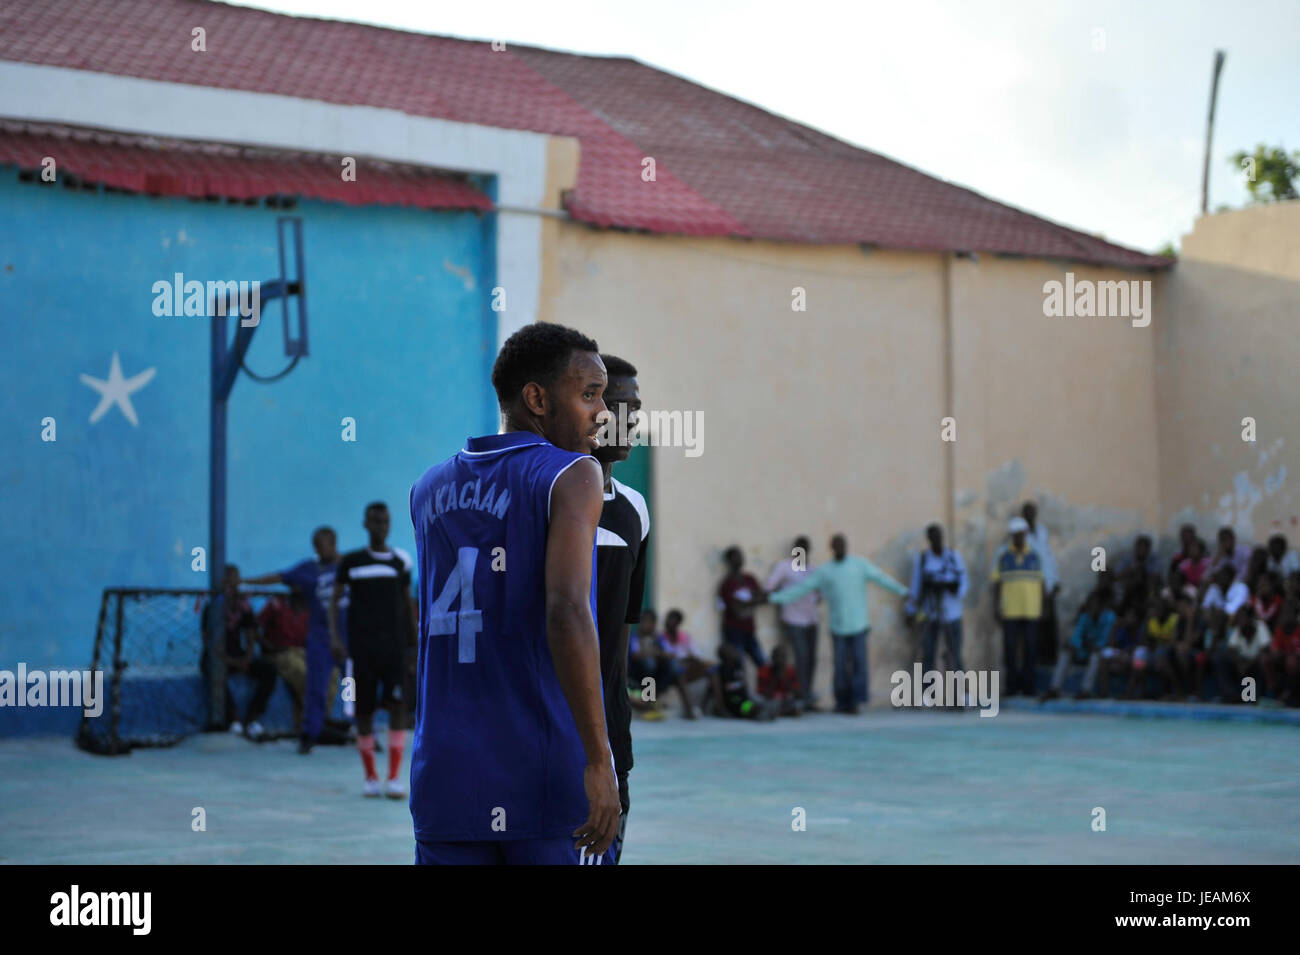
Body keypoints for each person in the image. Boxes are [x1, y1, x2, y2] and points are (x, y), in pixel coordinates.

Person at [408, 322, 619, 865]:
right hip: (540, 769)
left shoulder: (428, 486)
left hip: (444, 775)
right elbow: (568, 611)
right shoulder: (573, 473)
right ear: (537, 398)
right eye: (590, 394)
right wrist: (599, 758)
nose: (603, 412)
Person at [590, 353, 651, 862]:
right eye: (616, 406)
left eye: (636, 408)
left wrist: (615, 730)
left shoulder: (635, 509)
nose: (631, 420)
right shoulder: (541, 498)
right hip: (549, 730)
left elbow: (620, 637)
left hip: (611, 733)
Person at [330, 502, 418, 799]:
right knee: (363, 712)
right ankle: (370, 776)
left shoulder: (400, 562)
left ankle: (394, 778)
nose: (381, 526)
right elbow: (334, 601)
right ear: (365, 524)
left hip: (392, 649)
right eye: (375, 521)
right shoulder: (351, 562)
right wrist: (335, 638)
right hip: (361, 651)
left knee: (397, 708)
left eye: (385, 522)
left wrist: (415, 642)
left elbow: (407, 604)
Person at [767, 533, 909, 714]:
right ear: (832, 548)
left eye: (842, 545)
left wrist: (903, 592)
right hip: (837, 626)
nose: (839, 548)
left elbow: (881, 578)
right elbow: (800, 590)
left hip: (858, 624)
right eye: (836, 545)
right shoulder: (824, 571)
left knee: (859, 665)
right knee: (840, 666)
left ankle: (856, 701)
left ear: (846, 546)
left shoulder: (859, 565)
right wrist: (774, 598)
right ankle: (841, 702)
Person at [245, 526, 350, 753]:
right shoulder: (309, 569)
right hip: (321, 639)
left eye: (321, 545)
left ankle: (361, 730)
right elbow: (280, 576)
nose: (318, 550)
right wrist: (245, 581)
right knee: (316, 686)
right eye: (315, 546)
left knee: (353, 685)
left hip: (349, 637)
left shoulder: (349, 566)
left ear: (333, 543)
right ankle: (310, 734)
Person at [201, 564, 277, 740]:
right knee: (210, 667)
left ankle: (253, 718)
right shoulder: (212, 608)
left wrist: (247, 657)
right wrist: (229, 661)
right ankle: (232, 717)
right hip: (218, 656)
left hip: (237, 654)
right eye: (230, 580)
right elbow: (208, 642)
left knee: (269, 670)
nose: (234, 585)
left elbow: (251, 633)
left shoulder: (243, 606)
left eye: (236, 580)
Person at [905, 523, 968, 686]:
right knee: (928, 653)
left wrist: (949, 587)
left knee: (954, 653)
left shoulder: (953, 557)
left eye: (939, 536)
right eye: (933, 537)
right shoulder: (923, 559)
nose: (937, 540)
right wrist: (911, 610)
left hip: (951, 613)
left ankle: (959, 692)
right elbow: (916, 585)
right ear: (929, 539)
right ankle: (928, 692)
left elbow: (963, 583)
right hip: (930, 612)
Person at [992, 516, 1045, 697]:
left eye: (1021, 534)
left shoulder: (1035, 556)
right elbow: (996, 584)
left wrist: (1043, 607)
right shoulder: (1003, 556)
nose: (1019, 538)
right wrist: (996, 607)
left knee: (1030, 649)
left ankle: (1029, 688)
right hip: (1010, 610)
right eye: (1015, 535)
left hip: (1031, 610)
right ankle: (1011, 687)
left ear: (1026, 534)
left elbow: (1042, 583)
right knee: (1010, 650)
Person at [765, 536, 820, 710]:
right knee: (801, 657)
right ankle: (800, 697)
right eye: (799, 548)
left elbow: (819, 594)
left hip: (811, 620)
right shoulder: (784, 567)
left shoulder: (812, 570)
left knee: (811, 659)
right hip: (792, 619)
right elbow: (769, 586)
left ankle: (807, 696)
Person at [1043, 589, 1113, 700]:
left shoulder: (1109, 617)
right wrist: (1075, 645)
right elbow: (1077, 637)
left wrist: (1087, 645)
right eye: (1091, 604)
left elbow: (1105, 641)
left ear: (1101, 606)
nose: (1093, 607)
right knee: (1066, 652)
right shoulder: (1085, 617)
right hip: (1086, 649)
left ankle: (1086, 690)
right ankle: (1054, 688)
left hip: (1108, 651)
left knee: (1096, 655)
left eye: (1096, 604)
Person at [1021, 502, 1060, 664]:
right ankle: (1035, 660)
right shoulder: (1020, 535)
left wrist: (1056, 579)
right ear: (1024, 514)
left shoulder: (1042, 531)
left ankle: (1050, 658)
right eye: (1028, 512)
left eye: (1033, 512)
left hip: (1048, 582)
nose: (1031, 515)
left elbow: (1048, 555)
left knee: (1050, 622)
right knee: (1034, 626)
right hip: (1033, 587)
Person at [717, 546, 766, 666]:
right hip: (733, 630)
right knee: (737, 665)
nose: (739, 559)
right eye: (736, 557)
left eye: (740, 556)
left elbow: (763, 598)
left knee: (762, 663)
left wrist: (744, 602)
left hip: (749, 629)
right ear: (729, 561)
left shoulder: (749, 579)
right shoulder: (726, 584)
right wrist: (753, 599)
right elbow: (735, 609)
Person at [1215, 605, 1269, 704]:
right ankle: (1232, 695)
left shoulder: (1260, 626)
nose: (1240, 620)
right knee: (1221, 657)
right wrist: (1239, 663)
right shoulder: (1238, 629)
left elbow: (1265, 649)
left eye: (1242, 617)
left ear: (1250, 618)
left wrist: (1248, 664)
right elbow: (1231, 649)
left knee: (1264, 660)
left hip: (1256, 663)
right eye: (1239, 617)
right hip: (1242, 662)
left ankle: (1256, 696)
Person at [711, 643, 775, 721]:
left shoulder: (738, 668)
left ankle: (761, 712)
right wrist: (722, 709)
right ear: (724, 655)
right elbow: (718, 692)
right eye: (730, 650)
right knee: (750, 707)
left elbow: (744, 687)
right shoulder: (719, 671)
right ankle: (757, 714)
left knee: (759, 704)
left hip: (744, 700)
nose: (734, 652)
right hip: (734, 703)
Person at [1262, 599, 1300, 706]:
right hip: (1285, 660)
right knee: (1266, 659)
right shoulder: (1280, 630)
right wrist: (1277, 653)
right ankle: (1272, 690)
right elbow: (1275, 649)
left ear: (1294, 615)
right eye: (1284, 613)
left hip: (1295, 663)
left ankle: (1289, 693)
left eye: (1288, 613)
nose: (1285, 615)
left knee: (1291, 662)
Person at [757, 644, 803, 716]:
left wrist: (784, 679)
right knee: (758, 701)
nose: (779, 661)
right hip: (771, 701)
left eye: (782, 658)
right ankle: (781, 712)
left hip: (786, 702)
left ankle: (781, 712)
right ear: (772, 658)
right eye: (777, 657)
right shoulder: (764, 671)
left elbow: (798, 694)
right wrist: (775, 678)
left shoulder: (791, 671)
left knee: (798, 703)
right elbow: (764, 695)